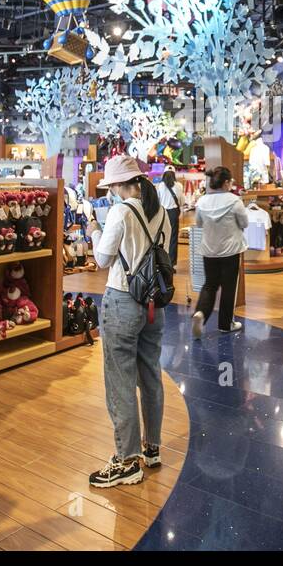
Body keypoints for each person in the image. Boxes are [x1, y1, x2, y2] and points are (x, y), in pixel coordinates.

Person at [86, 155, 170, 488]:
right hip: (154, 302)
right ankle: (152, 447)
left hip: (123, 299)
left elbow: (103, 259)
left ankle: (126, 460)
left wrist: (94, 231)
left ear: (121, 185)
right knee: (150, 372)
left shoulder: (121, 211)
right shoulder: (161, 212)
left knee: (120, 378)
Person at [192, 166, 248, 338]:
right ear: (225, 183)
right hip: (230, 251)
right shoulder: (234, 201)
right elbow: (244, 223)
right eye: (230, 181)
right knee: (229, 287)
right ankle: (225, 324)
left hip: (209, 250)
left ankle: (201, 313)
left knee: (210, 285)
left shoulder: (202, 201)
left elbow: (199, 223)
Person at [156, 168, 186, 268]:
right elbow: (182, 201)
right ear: (174, 174)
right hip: (173, 213)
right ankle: (172, 264)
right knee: (173, 238)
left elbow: (158, 200)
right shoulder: (179, 186)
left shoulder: (160, 186)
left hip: (163, 212)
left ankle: (162, 262)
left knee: (162, 237)